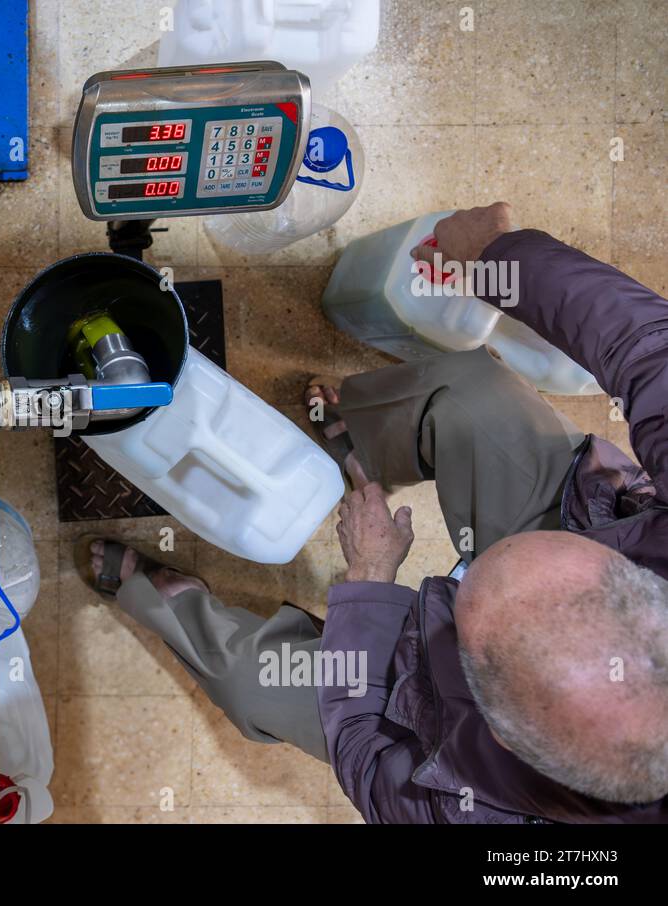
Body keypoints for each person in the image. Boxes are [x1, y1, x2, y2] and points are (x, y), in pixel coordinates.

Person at [77, 203, 668, 823]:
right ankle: (364, 445)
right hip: (589, 521)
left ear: (502, 738)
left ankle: (175, 603)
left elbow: (365, 754)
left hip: (425, 712)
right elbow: (650, 348)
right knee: (473, 395)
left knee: (257, 682)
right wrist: (503, 255)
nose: (454, 578)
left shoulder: (479, 817)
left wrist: (368, 582)